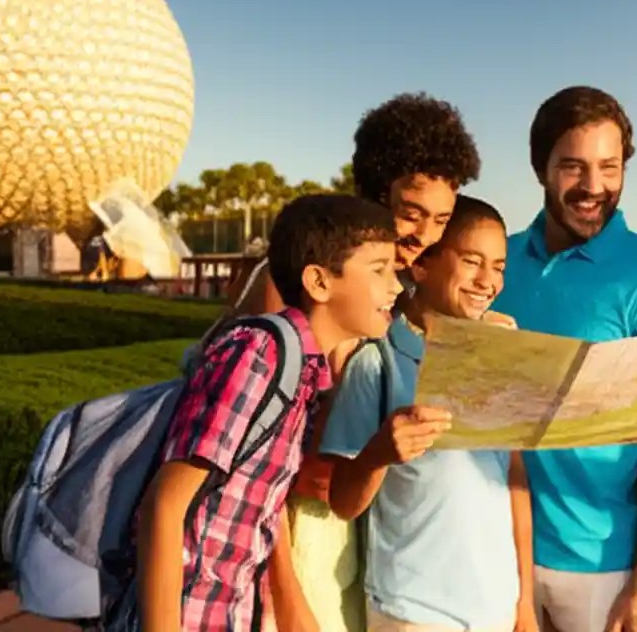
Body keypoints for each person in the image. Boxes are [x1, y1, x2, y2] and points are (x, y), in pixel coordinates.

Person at [234, 93, 483, 632]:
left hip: (352, 530)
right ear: (372, 194)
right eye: (411, 213)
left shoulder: (391, 280)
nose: (425, 235)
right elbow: (253, 466)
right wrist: (287, 593)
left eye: (441, 219)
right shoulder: (296, 283)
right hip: (288, 536)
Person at [134, 194, 405, 632]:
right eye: (380, 270)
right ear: (319, 282)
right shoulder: (262, 354)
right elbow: (165, 506)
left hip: (230, 612)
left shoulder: (304, 372)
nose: (396, 286)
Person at [489, 86, 637, 632]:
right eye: (572, 167)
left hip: (598, 567)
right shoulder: (494, 262)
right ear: (540, 168)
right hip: (487, 548)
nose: (593, 187)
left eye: (609, 167)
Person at [320, 195, 538, 632]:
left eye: (498, 266)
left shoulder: (498, 358)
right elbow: (343, 501)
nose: (487, 280)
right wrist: (379, 454)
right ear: (421, 265)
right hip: (411, 613)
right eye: (472, 261)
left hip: (498, 610)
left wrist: (524, 602)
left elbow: (512, 482)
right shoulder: (376, 362)